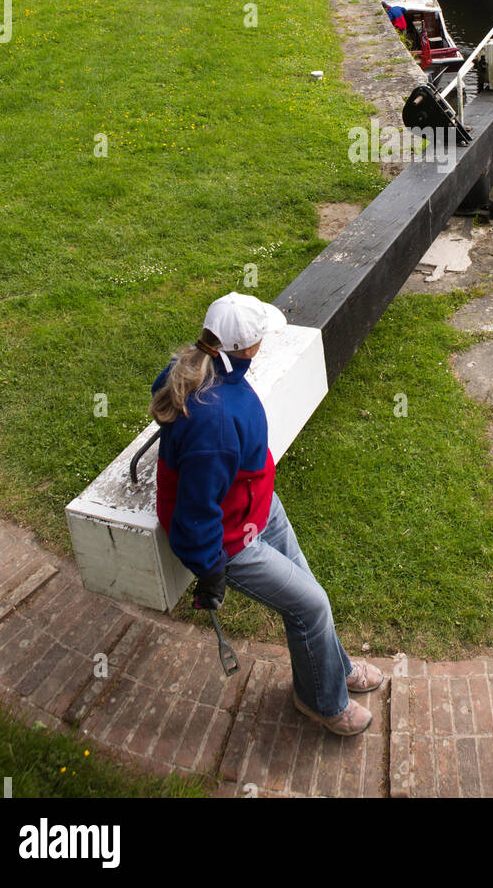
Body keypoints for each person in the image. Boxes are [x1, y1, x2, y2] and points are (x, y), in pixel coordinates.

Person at [150, 291, 383, 736]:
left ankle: (334, 669)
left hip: (257, 505)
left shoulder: (203, 366)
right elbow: (197, 509)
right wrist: (210, 568)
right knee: (311, 606)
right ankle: (323, 702)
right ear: (249, 346)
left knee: (309, 594)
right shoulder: (214, 421)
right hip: (232, 538)